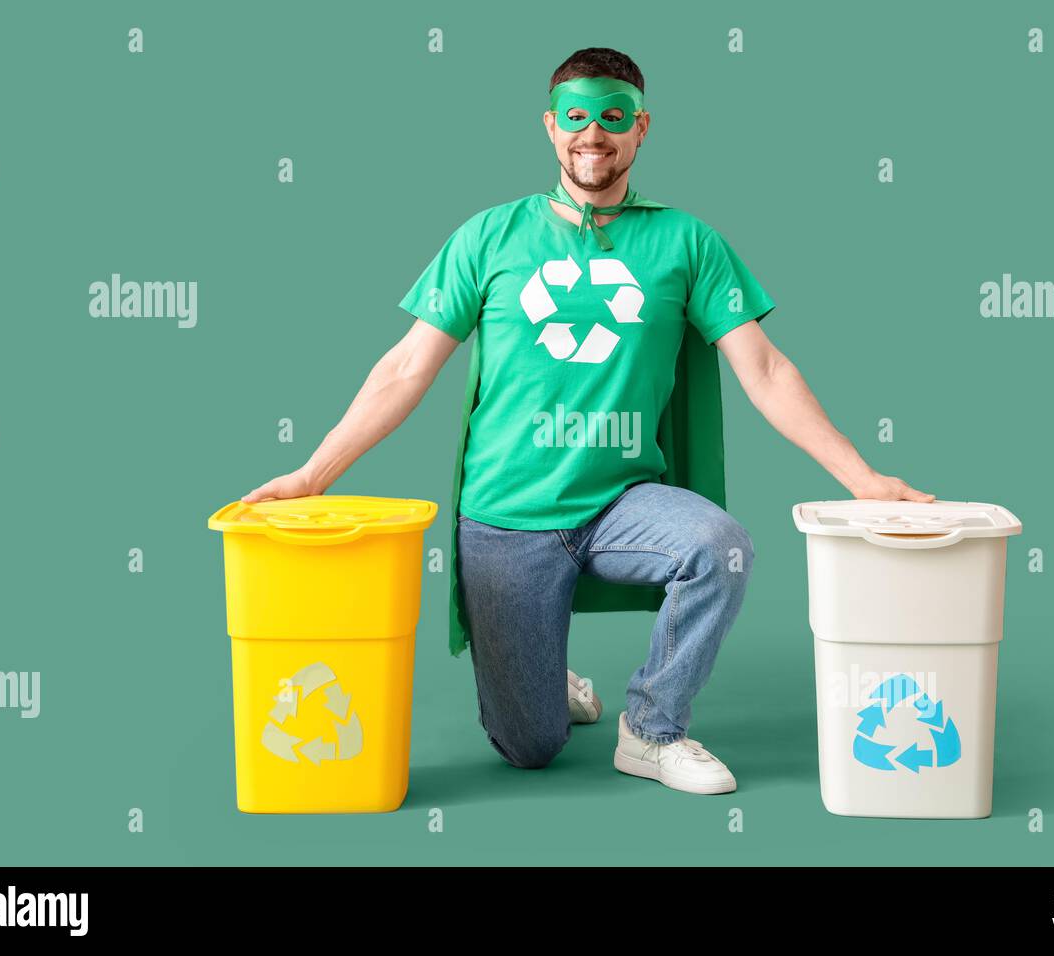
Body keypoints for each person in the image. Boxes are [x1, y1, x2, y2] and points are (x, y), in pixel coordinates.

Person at [242, 47, 933, 795]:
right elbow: (406, 368)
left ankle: (652, 728)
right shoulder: (489, 236)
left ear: (642, 129)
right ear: (550, 127)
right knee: (528, 746)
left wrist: (864, 478)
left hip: (623, 503)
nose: (593, 135)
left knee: (720, 548)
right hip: (508, 514)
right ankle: (542, 675)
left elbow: (764, 368)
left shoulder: (686, 241)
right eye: (576, 117)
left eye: (613, 118)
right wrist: (313, 474)